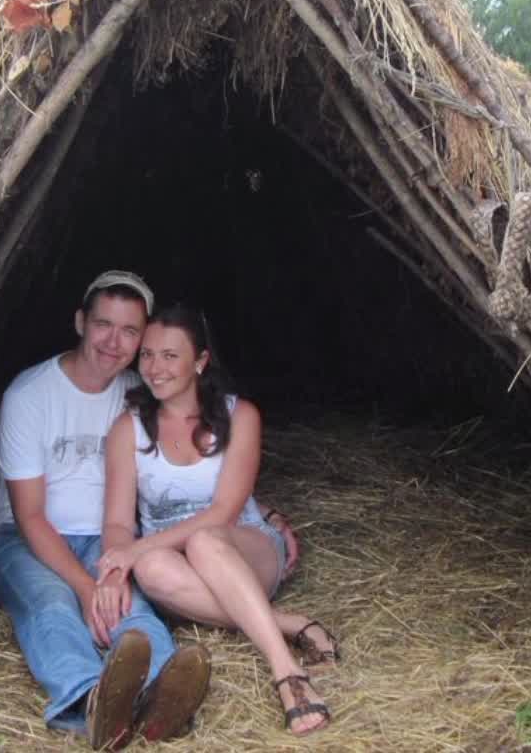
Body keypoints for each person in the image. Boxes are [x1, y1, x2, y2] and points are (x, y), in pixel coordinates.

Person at [0, 272, 299, 748]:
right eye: (103, 325)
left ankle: (159, 697)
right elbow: (30, 516)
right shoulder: (29, 396)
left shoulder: (142, 389)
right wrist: (88, 582)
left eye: (130, 332)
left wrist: (269, 515)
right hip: (31, 536)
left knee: (133, 615)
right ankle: (89, 700)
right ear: (80, 322)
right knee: (54, 608)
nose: (114, 343)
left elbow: (202, 472)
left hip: (110, 539)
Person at [96, 304, 337, 737]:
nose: (154, 367)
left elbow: (224, 512)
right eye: (147, 355)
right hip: (171, 562)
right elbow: (116, 521)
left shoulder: (241, 416)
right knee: (149, 568)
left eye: (170, 355)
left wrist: (136, 547)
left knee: (206, 540)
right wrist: (117, 563)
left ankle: (286, 672)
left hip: (245, 546)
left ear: (201, 361)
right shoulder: (126, 429)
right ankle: (289, 623)